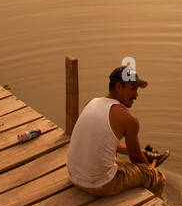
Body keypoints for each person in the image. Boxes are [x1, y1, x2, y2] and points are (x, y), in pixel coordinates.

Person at [66, 65, 168, 197]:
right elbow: (136, 158)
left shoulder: (91, 102)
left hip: (74, 176)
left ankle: (147, 165)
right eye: (133, 89)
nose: (136, 95)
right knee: (157, 177)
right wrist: (150, 168)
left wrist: (144, 153)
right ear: (119, 87)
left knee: (120, 162)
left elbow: (101, 142)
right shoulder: (129, 119)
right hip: (99, 185)